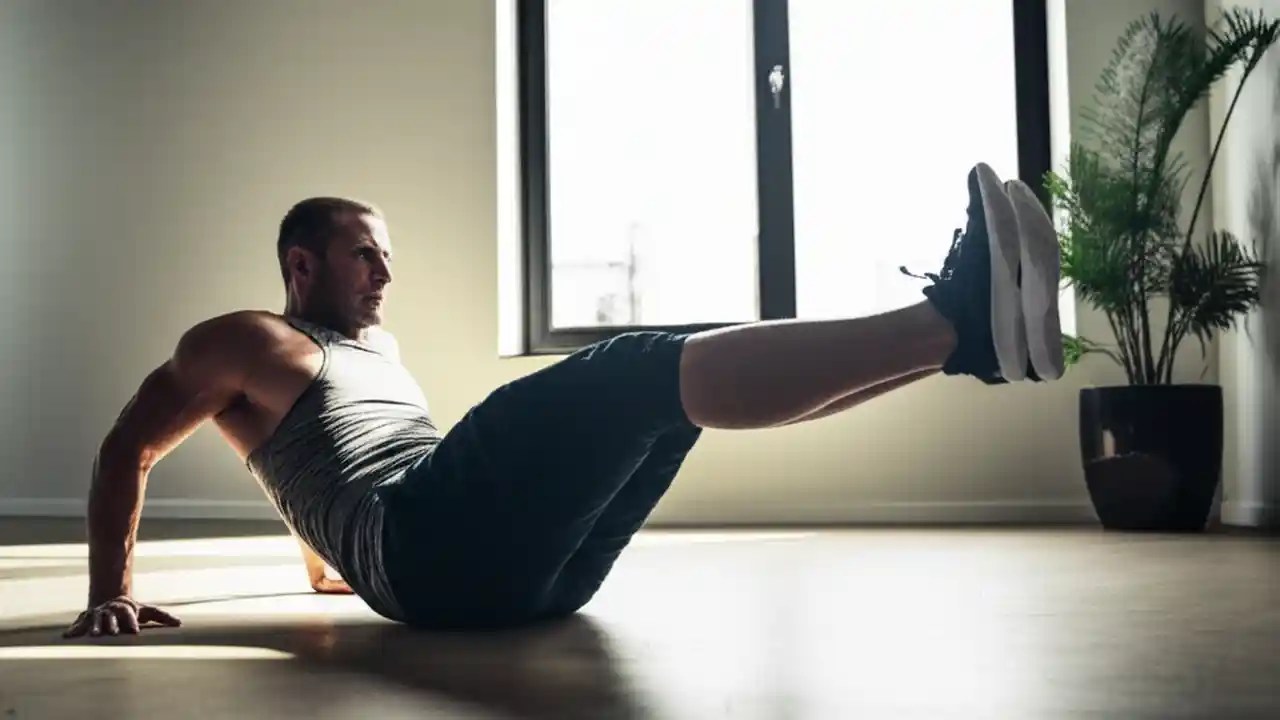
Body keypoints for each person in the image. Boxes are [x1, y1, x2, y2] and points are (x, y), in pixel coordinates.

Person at [62, 162, 1063, 637]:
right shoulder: (248, 338)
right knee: (636, 365)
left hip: (528, 585)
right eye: (364, 253)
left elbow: (306, 463)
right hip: (426, 548)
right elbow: (128, 447)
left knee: (672, 394)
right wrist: (107, 588)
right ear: (300, 261)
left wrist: (325, 562)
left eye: (385, 256)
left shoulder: (368, 352)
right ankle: (951, 319)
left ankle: (968, 350)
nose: (383, 273)